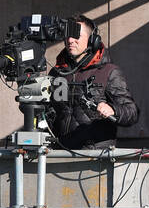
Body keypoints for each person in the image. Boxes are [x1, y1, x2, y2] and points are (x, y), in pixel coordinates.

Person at [48, 15, 139, 149]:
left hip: (96, 157)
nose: (70, 40)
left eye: (76, 36)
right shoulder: (56, 73)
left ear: (92, 40)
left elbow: (131, 112)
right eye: (67, 36)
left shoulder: (108, 71)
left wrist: (113, 110)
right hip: (60, 152)